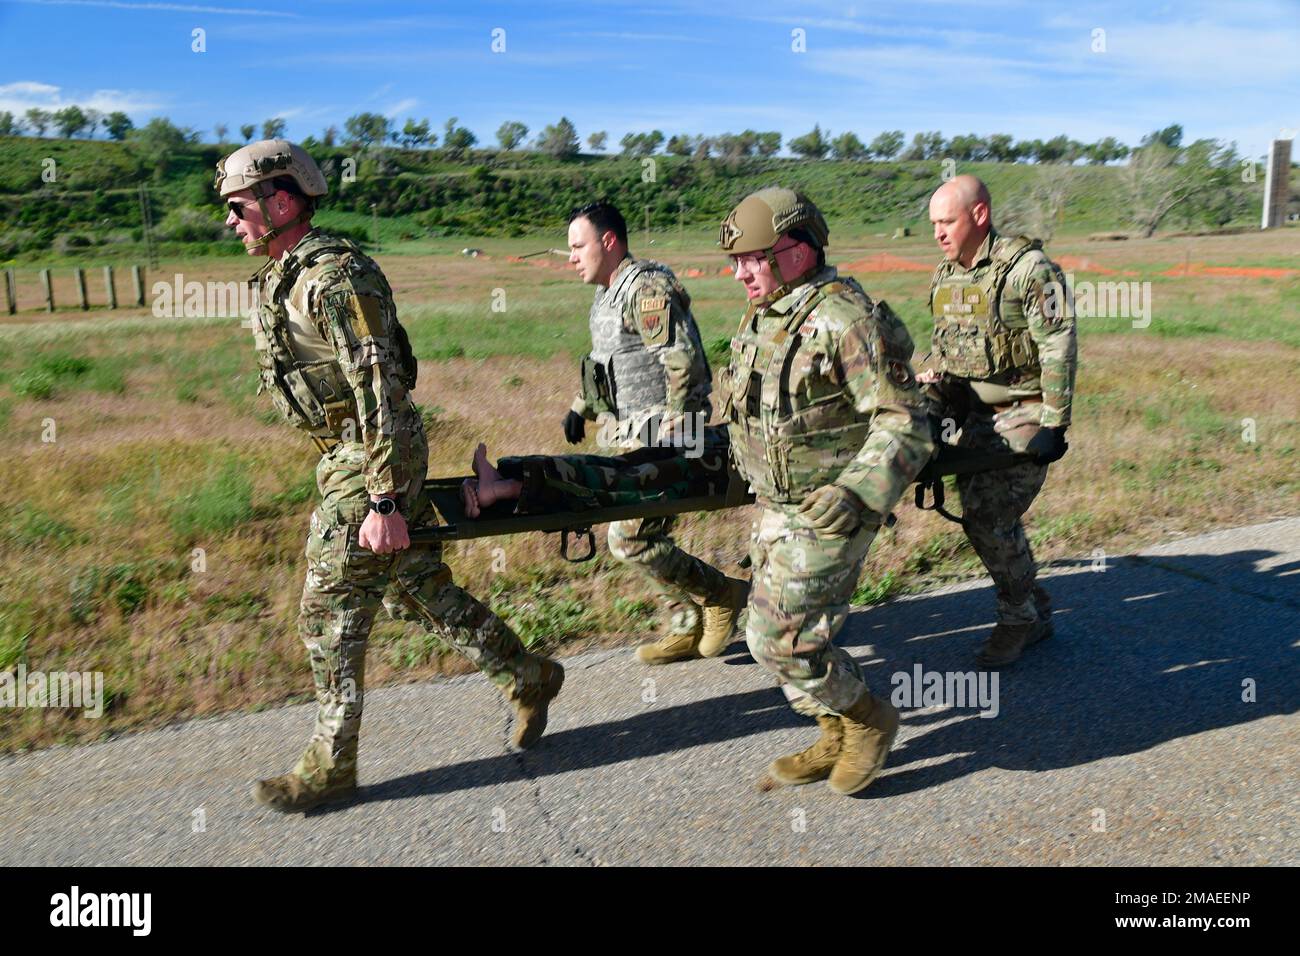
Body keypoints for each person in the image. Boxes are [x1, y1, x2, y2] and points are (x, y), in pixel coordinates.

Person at [217, 139, 564, 813]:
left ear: (280, 201)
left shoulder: (333, 276)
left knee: (328, 614)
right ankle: (528, 674)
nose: (231, 222)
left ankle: (329, 768)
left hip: (375, 456)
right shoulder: (287, 274)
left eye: (238, 207)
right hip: (349, 455)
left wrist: (381, 497)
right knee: (420, 590)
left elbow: (378, 384)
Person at [718, 188, 934, 795]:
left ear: (799, 250)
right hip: (778, 508)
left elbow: (905, 421)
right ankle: (834, 727)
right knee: (788, 639)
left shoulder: (846, 318)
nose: (741, 272)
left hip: (832, 509)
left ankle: (870, 721)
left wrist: (857, 492)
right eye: (736, 261)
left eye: (753, 258)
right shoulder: (767, 316)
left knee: (777, 636)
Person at [563, 200, 747, 664]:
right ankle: (686, 623)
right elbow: (611, 361)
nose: (571, 257)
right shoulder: (606, 295)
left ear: (608, 241)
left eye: (578, 245)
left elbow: (682, 358)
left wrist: (677, 424)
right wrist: (581, 406)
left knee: (629, 539)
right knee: (638, 539)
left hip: (661, 438)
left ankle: (721, 594)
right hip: (629, 436)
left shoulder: (645, 287)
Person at [922, 174, 1078, 667]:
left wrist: (1055, 423)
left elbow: (1059, 341)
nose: (938, 233)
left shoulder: (1031, 270)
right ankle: (1031, 600)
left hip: (1024, 410)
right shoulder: (946, 275)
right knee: (978, 514)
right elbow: (947, 344)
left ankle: (1020, 619)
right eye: (934, 224)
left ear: (980, 216)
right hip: (967, 409)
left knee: (988, 516)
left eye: (947, 221)